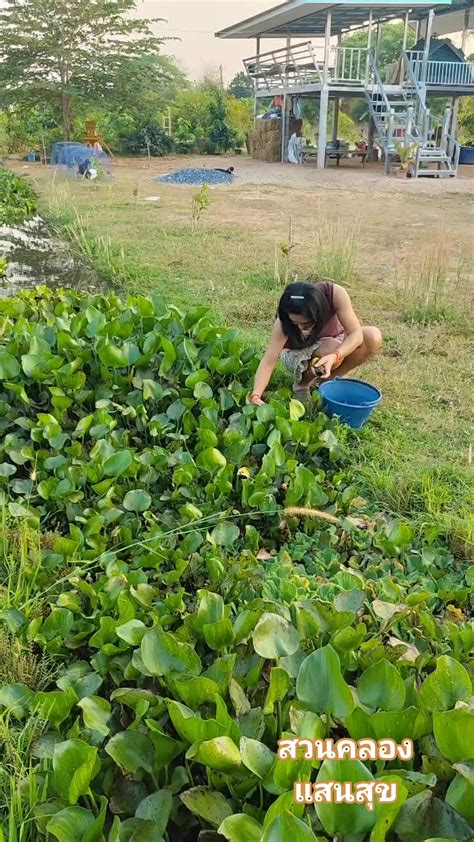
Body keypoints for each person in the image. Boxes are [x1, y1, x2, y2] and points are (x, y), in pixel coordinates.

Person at [249, 279, 382, 405]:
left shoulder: (334, 294)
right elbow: (269, 360)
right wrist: (256, 395)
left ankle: (325, 381)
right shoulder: (282, 322)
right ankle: (302, 384)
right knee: (331, 347)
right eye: (295, 323)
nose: (300, 327)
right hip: (297, 353)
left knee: (372, 336)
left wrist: (335, 355)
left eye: (306, 323)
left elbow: (356, 335)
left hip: (333, 341)